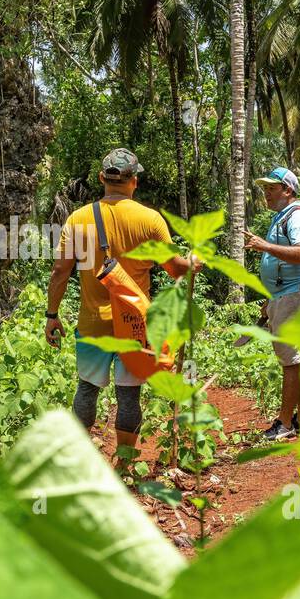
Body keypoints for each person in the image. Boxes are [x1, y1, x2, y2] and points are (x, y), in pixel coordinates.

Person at [45, 148, 200, 456]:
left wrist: (52, 314)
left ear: (103, 178)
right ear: (135, 181)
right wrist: (192, 262)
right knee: (129, 396)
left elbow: (60, 271)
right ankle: (126, 466)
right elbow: (175, 271)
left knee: (87, 389)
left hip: (93, 322)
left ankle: (78, 458)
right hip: (135, 324)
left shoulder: (78, 219)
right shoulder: (150, 220)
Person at [244, 166, 300, 441]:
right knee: (298, 360)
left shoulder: (296, 217)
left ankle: (284, 423)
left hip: (294, 295)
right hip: (286, 296)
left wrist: (265, 247)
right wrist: (271, 300)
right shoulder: (283, 217)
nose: (266, 195)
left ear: (288, 190)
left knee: (291, 362)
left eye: (271, 189)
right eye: (264, 189)